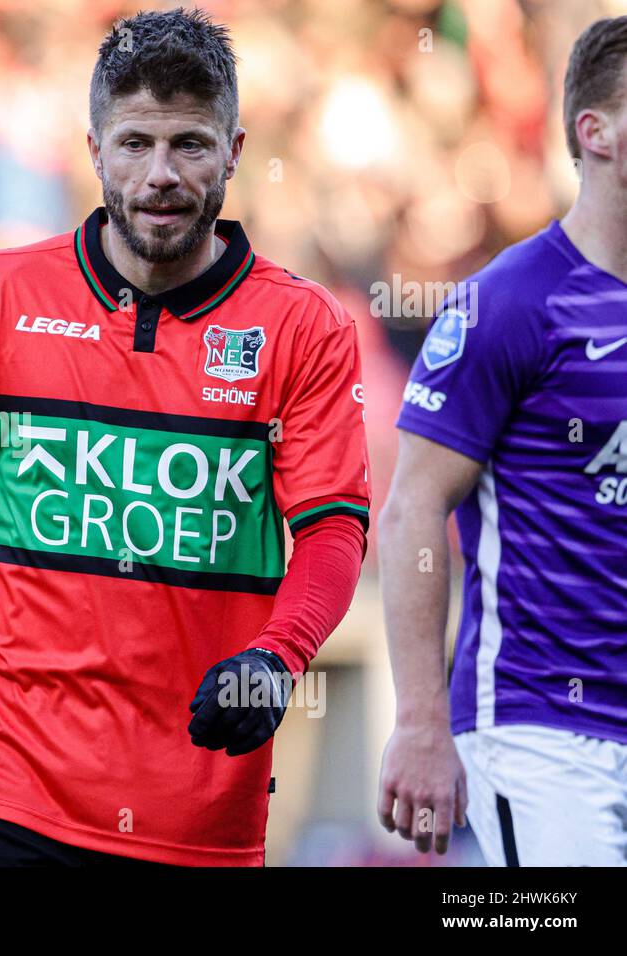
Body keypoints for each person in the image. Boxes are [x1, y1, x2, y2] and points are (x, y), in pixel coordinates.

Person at [0, 7, 370, 866]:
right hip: (5, 789)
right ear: (93, 152)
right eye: (134, 144)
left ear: (235, 152)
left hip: (196, 811)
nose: (160, 175)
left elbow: (333, 530)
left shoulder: (302, 327)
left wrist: (277, 660)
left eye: (189, 146)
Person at [378, 16, 627, 866]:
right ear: (596, 132)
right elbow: (412, 506)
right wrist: (419, 722)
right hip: (544, 726)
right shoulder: (512, 303)